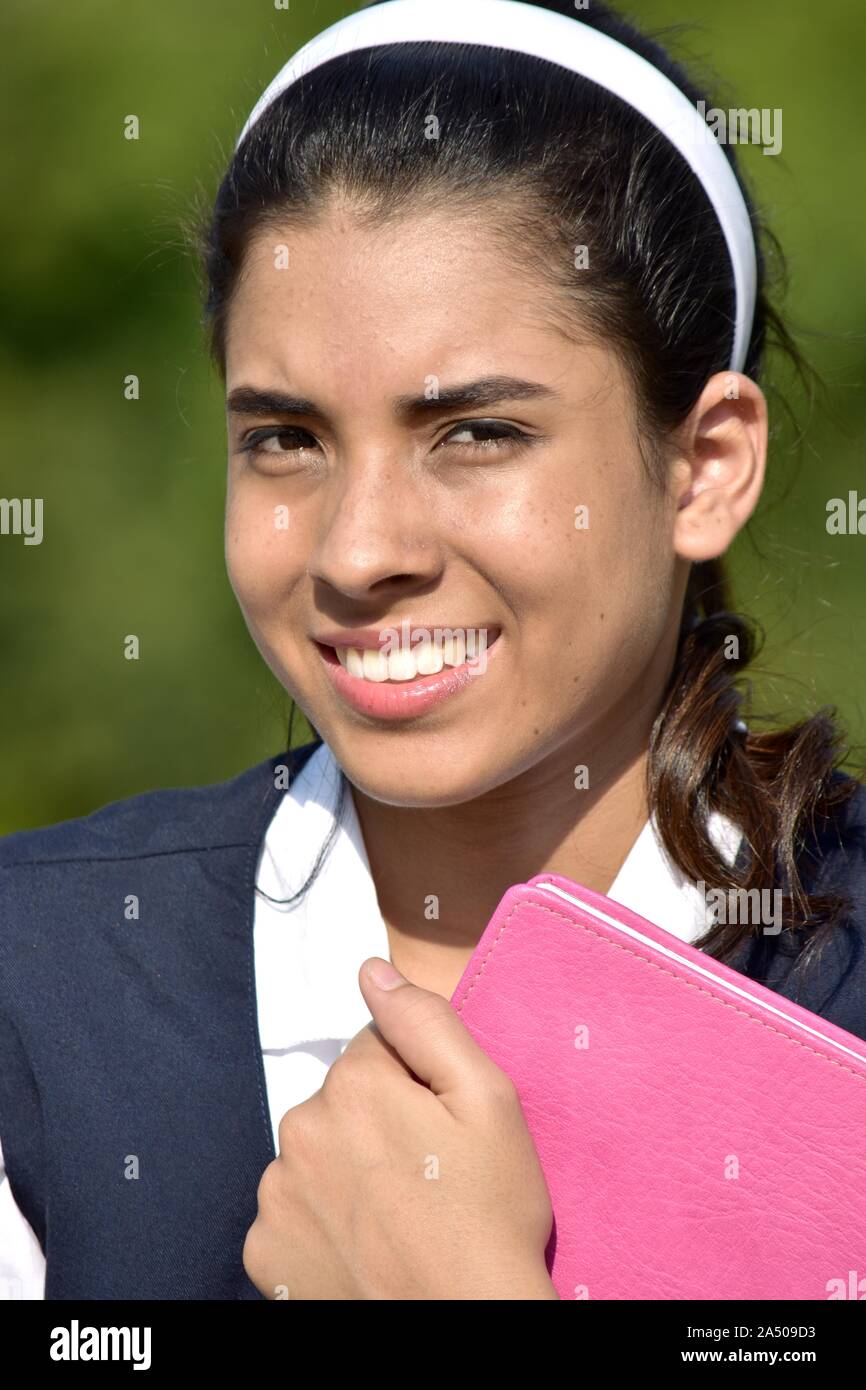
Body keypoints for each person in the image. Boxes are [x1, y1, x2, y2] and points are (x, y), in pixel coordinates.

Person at [2, 0, 865, 1301]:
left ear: (702, 465)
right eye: (285, 437)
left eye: (472, 434)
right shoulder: (42, 982)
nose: (357, 551)